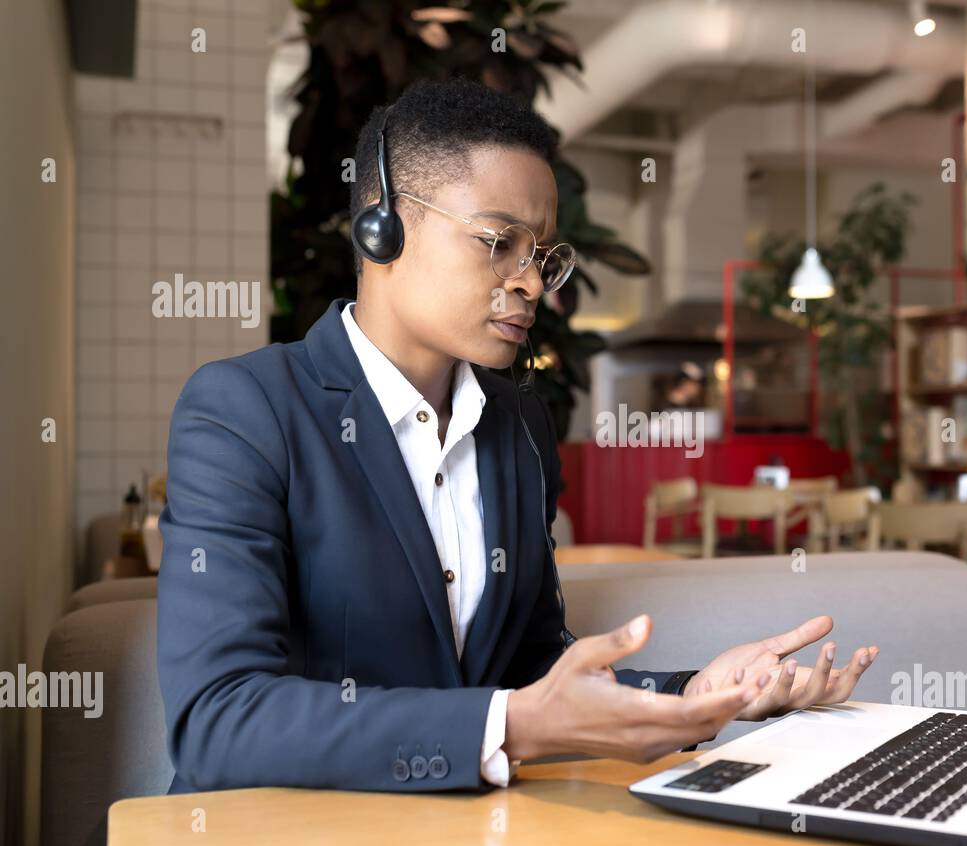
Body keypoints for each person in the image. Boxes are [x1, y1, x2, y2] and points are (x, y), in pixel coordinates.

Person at [157, 77, 878, 794]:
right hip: (280, 837)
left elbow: (531, 669)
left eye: (542, 255)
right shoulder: (245, 410)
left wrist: (691, 696)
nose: (533, 284)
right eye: (499, 241)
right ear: (383, 230)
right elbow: (218, 720)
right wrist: (509, 729)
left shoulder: (520, 425)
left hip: (467, 835)